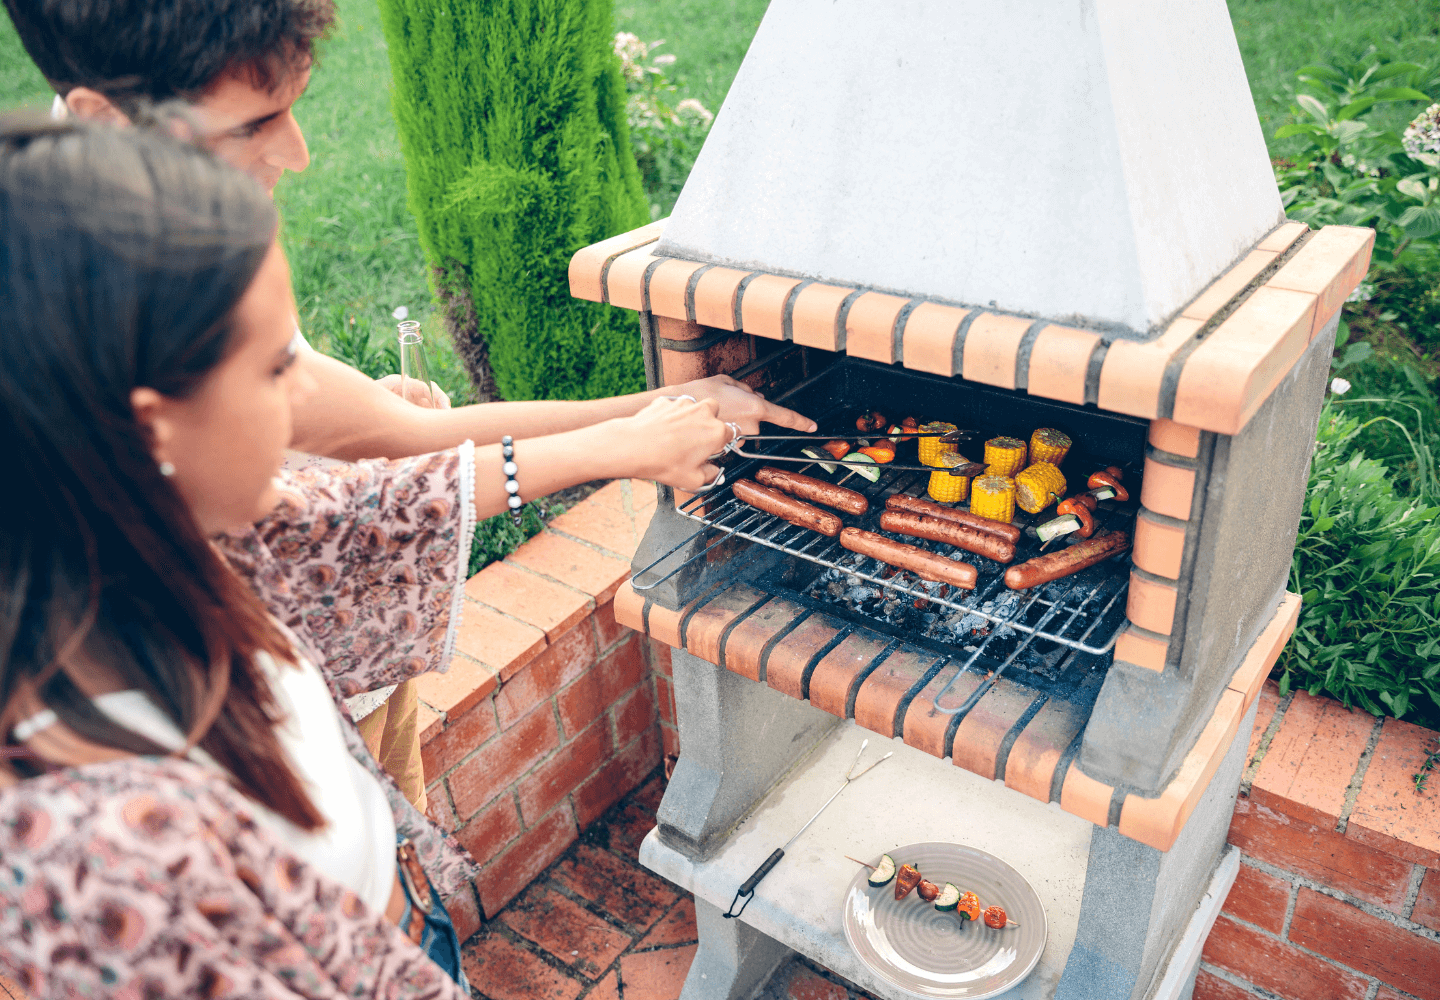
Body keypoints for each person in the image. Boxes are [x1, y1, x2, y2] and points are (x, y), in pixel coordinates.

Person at [2, 0, 815, 814]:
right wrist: (624, 439)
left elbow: (372, 437)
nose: (299, 152)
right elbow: (340, 502)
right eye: (255, 122)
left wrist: (654, 410)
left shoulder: (158, 213)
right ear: (104, 119)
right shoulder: (66, 323)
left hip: (341, 669)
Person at [0, 113, 742, 996]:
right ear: (153, 427)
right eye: (278, 370)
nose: (307, 416)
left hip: (405, 917)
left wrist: (634, 431)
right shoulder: (109, 858)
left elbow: (384, 499)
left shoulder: (131, 545)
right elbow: (390, 479)